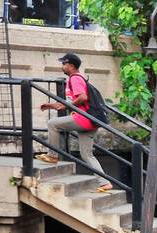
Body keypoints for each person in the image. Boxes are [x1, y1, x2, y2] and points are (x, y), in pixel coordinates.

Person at [35, 53, 109, 190]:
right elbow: (68, 103)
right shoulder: (78, 78)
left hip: (84, 119)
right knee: (87, 154)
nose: (62, 66)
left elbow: (82, 97)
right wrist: (50, 105)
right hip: (91, 122)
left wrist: (70, 106)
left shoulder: (75, 78)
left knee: (52, 124)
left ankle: (52, 155)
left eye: (64, 64)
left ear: (71, 66)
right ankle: (105, 182)